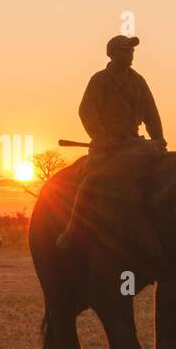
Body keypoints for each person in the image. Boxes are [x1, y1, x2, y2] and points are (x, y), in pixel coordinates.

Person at [56, 35, 166, 249]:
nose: (130, 54)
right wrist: (102, 137)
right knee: (92, 179)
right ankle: (72, 229)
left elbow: (152, 114)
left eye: (131, 50)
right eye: (125, 50)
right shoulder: (100, 79)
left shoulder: (138, 81)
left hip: (135, 143)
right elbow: (86, 111)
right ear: (112, 53)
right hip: (107, 146)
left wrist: (159, 139)